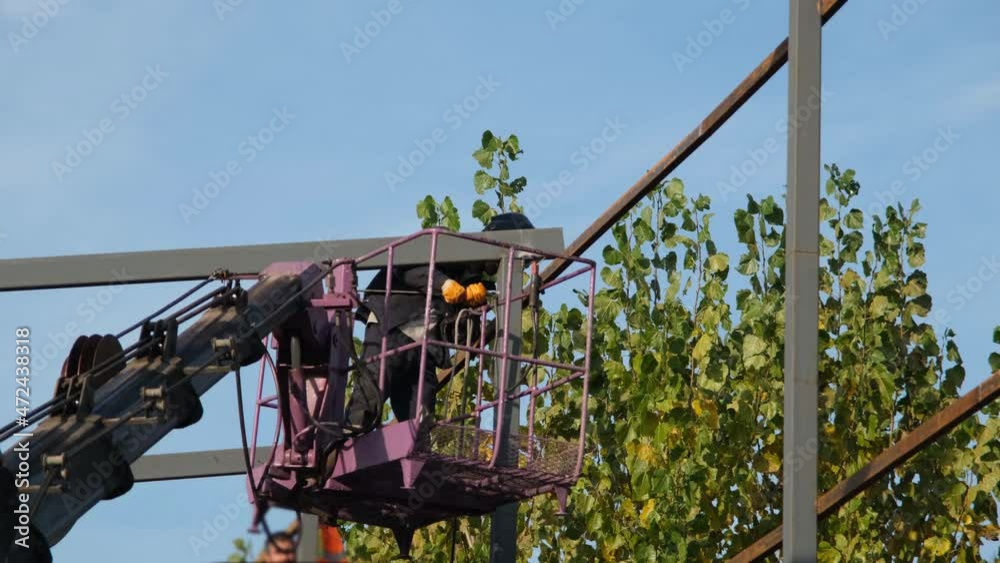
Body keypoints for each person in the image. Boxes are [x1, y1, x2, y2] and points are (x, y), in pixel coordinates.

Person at [343, 213, 535, 434]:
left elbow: (456, 334)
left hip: (424, 346)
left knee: (420, 418)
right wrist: (442, 283)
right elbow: (405, 267)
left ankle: (415, 460)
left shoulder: (473, 281)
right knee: (370, 397)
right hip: (392, 322)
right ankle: (341, 447)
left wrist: (483, 323)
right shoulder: (447, 244)